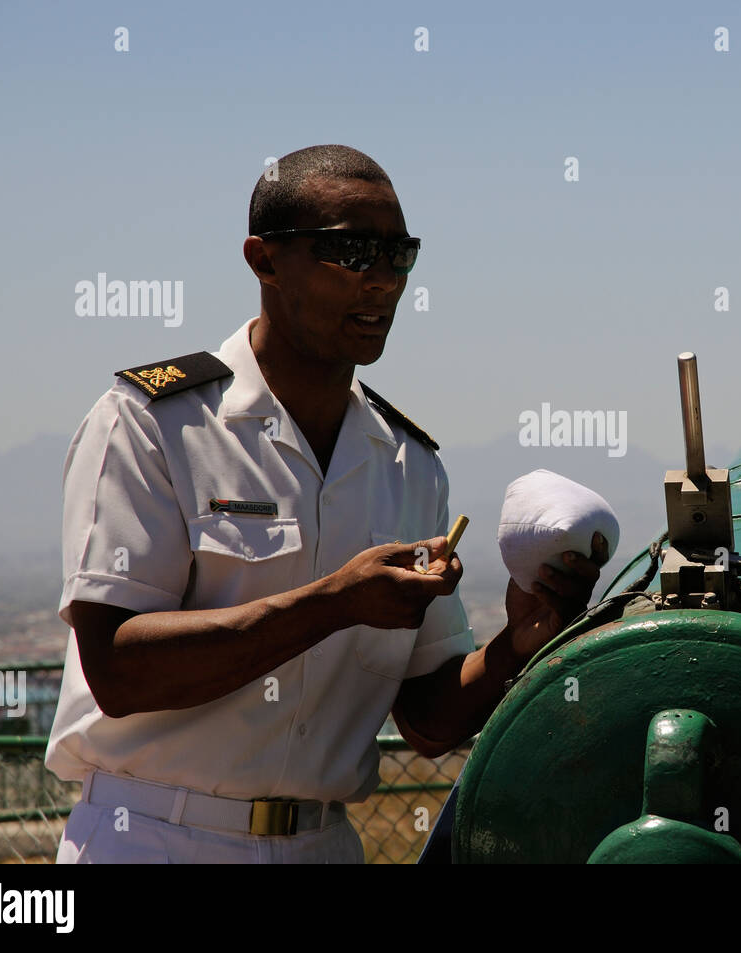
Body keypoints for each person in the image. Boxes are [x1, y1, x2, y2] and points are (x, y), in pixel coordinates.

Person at [46, 144, 608, 863]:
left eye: (399, 255)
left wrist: (517, 645)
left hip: (323, 843)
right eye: (351, 252)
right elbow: (119, 672)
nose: (381, 281)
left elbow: (429, 719)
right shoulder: (155, 424)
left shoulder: (408, 465)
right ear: (264, 259)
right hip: (154, 837)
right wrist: (335, 604)